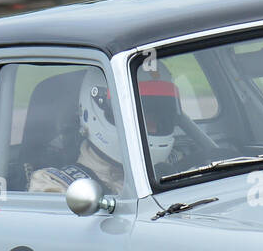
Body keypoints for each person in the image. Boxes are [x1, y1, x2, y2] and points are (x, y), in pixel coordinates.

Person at [27, 72, 180, 194]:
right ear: (93, 112)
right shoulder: (53, 183)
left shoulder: (180, 164)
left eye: (159, 115)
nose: (152, 128)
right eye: (137, 115)